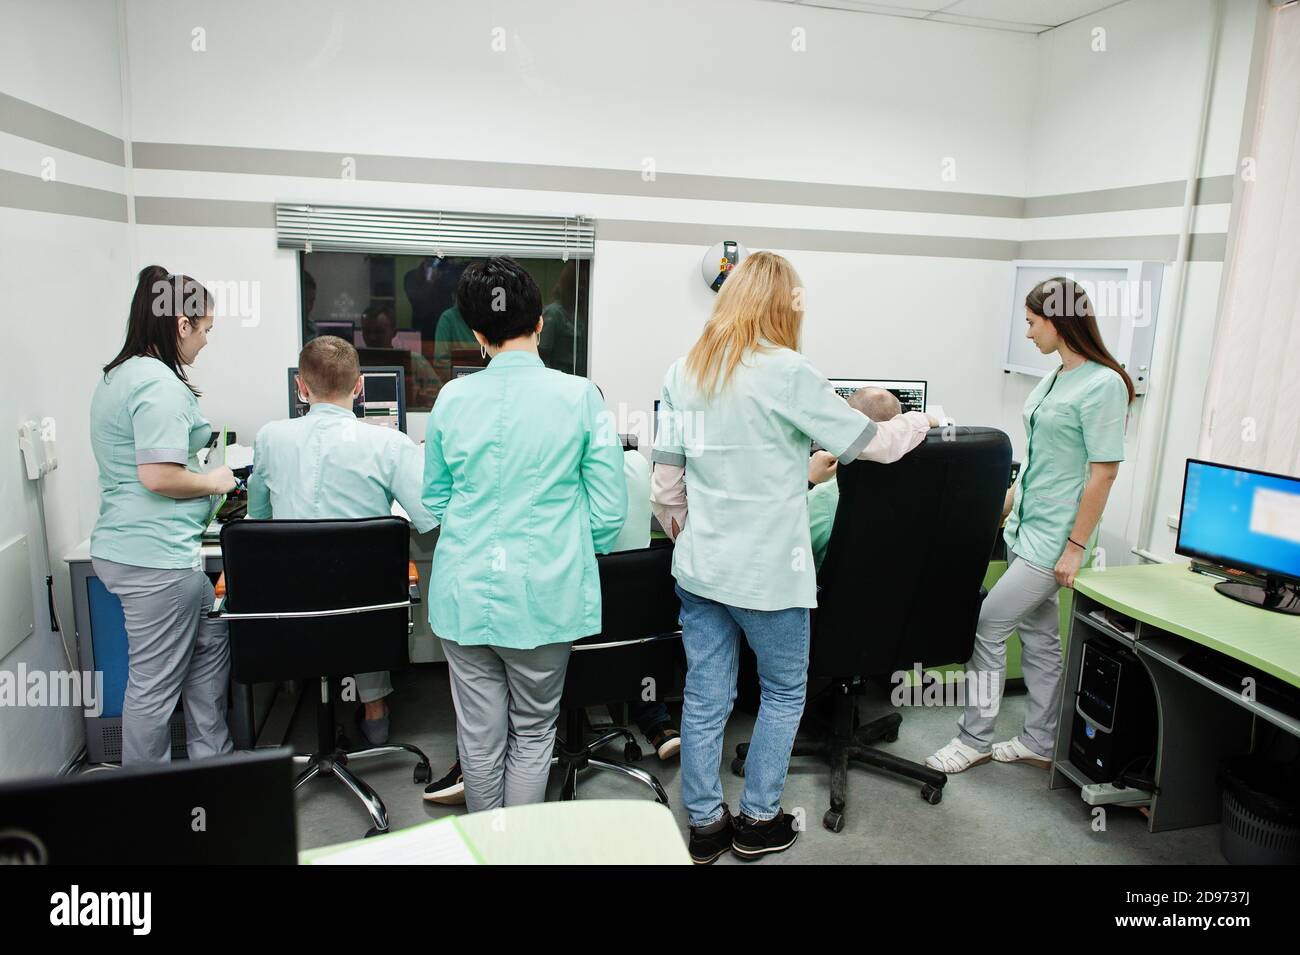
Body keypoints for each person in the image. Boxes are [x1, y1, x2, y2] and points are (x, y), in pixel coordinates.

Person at [651, 251, 937, 863]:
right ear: (785, 306)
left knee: (705, 698)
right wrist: (924, 420)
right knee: (783, 693)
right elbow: (875, 444)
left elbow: (667, 484)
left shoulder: (685, 371)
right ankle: (757, 821)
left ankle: (703, 826)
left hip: (701, 572)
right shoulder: (789, 372)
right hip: (769, 579)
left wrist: (689, 538)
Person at [421, 256, 627, 811]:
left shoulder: (451, 399)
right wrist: (555, 545)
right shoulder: (582, 397)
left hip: (464, 596)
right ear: (540, 323)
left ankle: (488, 847)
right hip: (545, 598)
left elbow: (434, 499)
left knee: (479, 738)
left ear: (477, 334)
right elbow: (609, 513)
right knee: (534, 733)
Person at [927, 277, 1131, 775]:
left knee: (989, 624)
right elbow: (1041, 461)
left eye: (1031, 322)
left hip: (1055, 539)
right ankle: (1041, 740)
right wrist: (1002, 508)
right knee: (1040, 640)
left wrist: (1076, 546)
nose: (1028, 332)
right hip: (1025, 525)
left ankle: (973, 737)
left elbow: (1102, 472)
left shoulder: (1103, 384)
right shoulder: (1055, 377)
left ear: (1057, 322)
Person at [246, 335, 438, 745]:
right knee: (365, 584)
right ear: (360, 386)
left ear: (301, 386)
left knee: (326, 584)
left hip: (292, 611)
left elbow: (257, 521)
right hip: (365, 612)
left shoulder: (269, 438)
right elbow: (429, 518)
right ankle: (374, 707)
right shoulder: (388, 443)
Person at [90, 265, 237, 765]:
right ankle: (144, 805)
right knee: (153, 691)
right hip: (153, 561)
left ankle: (211, 768)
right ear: (181, 324)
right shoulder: (158, 384)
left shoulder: (121, 375)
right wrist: (215, 481)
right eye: (206, 329)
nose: (207, 340)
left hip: (147, 553)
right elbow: (158, 476)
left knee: (208, 652)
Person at [806, 386, 902, 571]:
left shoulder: (822, 498)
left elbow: (778, 548)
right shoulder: (929, 489)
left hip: (834, 599)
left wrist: (809, 482)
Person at [360, 302, 439, 407]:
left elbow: (439, 394)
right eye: (367, 331)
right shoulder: (353, 362)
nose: (372, 337)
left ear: (394, 333)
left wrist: (423, 399)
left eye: (379, 332)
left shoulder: (414, 361)